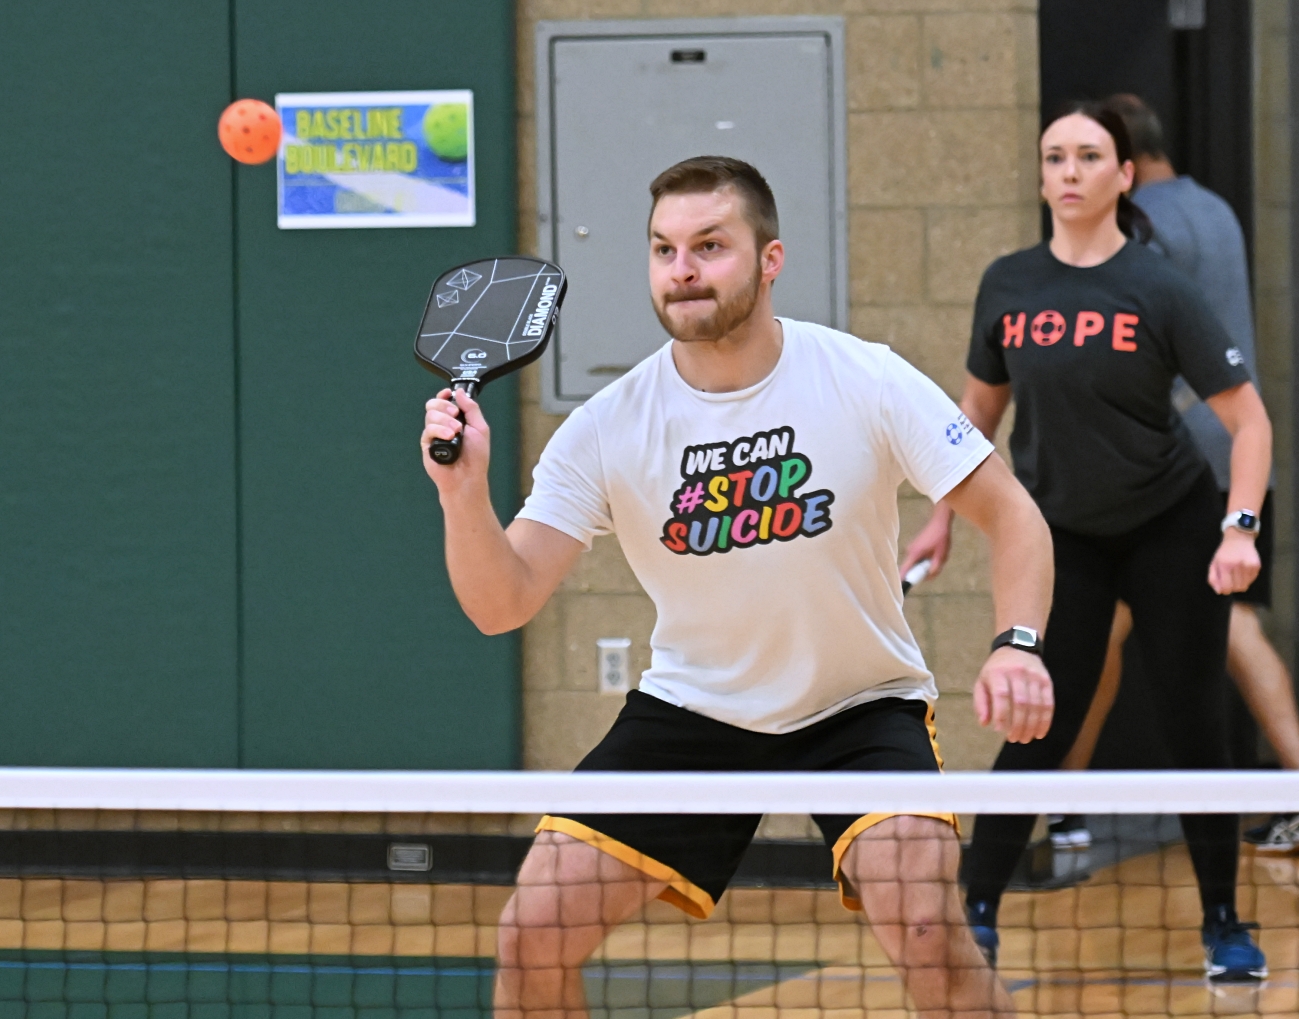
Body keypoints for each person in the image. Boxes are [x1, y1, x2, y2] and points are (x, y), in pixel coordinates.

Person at [422, 155, 1056, 1019]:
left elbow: (1013, 516)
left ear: (770, 259)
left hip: (860, 705)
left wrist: (1015, 646)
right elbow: (503, 602)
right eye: (663, 249)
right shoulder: (607, 427)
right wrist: (462, 493)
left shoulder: (861, 377)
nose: (681, 269)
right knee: (530, 935)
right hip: (692, 711)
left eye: (709, 246)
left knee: (923, 927)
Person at [901, 103, 1273, 982]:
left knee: (1193, 722)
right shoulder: (1008, 283)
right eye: (1053, 157)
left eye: (1087, 156)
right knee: (1036, 715)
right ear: (1040, 176)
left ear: (1121, 176)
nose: (1067, 171)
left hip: (1168, 521)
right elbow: (978, 413)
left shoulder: (1157, 287)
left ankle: (1222, 921)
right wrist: (942, 514)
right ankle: (978, 911)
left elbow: (1247, 420)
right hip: (1059, 529)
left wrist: (1239, 526)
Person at [1055, 95, 1299, 854]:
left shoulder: (1141, 232)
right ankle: (1062, 797)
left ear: (1121, 160)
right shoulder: (1217, 210)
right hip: (1233, 457)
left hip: (1174, 463)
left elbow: (1142, 349)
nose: (1074, 170)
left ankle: (1059, 800)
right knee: (1232, 624)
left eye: (1089, 155)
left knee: (1104, 632)